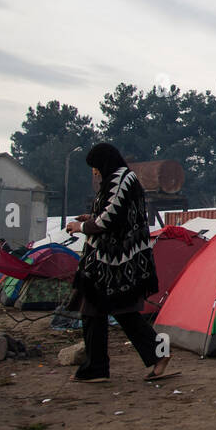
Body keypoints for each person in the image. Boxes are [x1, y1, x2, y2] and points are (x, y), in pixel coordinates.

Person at [65, 143, 175, 383]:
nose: (94, 172)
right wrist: (89, 219)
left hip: (116, 261)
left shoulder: (121, 180)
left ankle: (153, 355)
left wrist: (81, 226)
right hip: (109, 260)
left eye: (95, 167)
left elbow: (109, 219)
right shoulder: (120, 179)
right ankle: (98, 367)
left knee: (115, 310)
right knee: (100, 310)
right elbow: (113, 216)